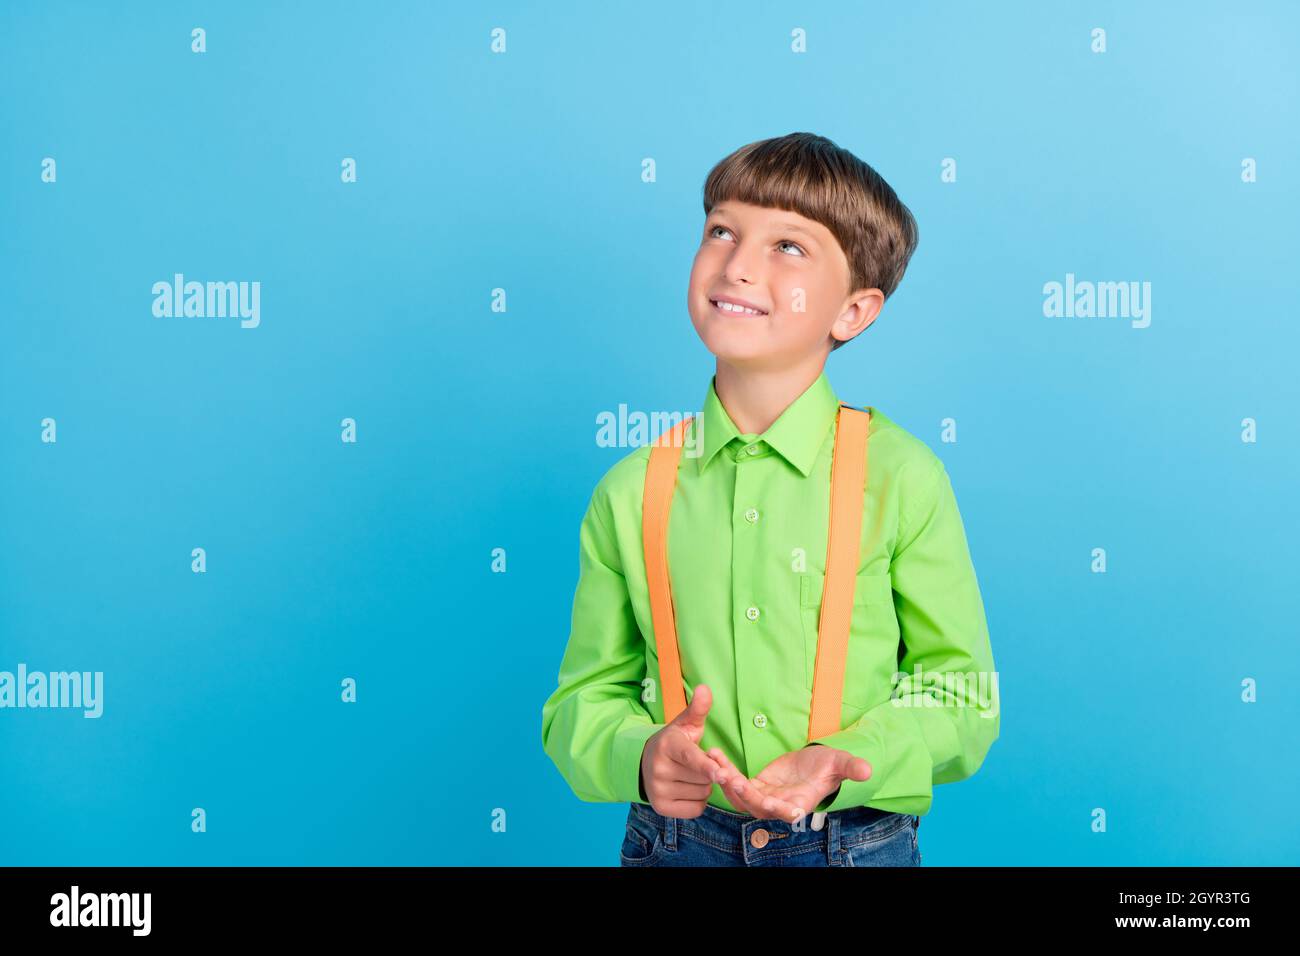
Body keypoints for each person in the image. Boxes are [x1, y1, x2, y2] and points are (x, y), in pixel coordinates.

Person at [541, 132, 999, 866]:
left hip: (849, 842)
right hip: (676, 844)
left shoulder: (904, 478)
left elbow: (962, 696)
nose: (739, 263)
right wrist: (639, 756)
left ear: (853, 311)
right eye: (721, 229)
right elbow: (580, 703)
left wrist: (847, 757)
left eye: (789, 246)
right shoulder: (630, 492)